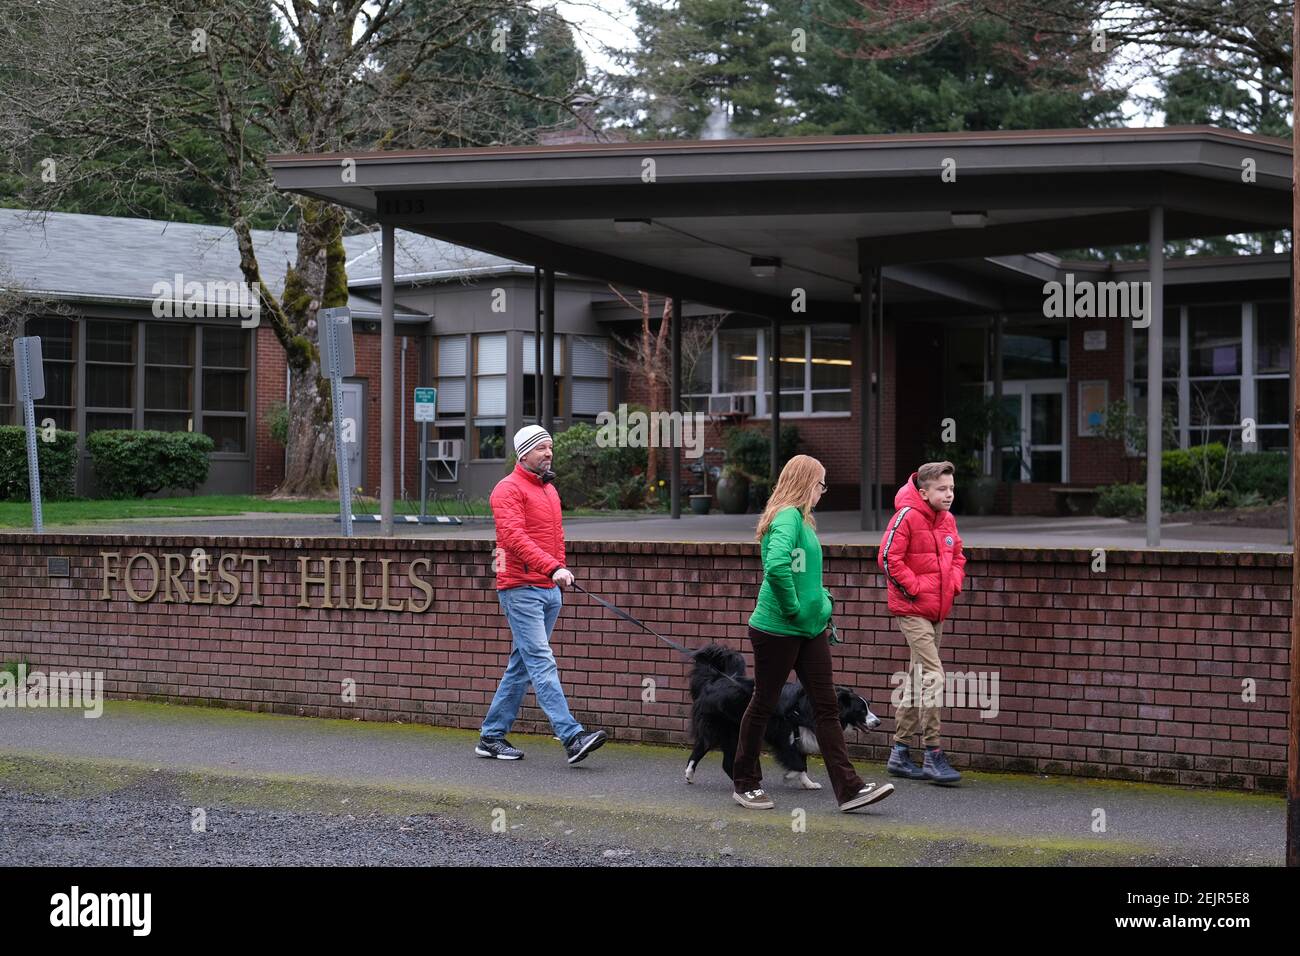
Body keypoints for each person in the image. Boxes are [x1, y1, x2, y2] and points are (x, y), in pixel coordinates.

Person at [731, 454, 896, 812]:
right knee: (763, 703)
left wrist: (819, 602)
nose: (823, 490)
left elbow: (802, 573)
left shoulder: (803, 520)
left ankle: (850, 789)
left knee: (826, 707)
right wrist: (794, 608)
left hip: (809, 629)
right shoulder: (788, 516)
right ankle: (745, 782)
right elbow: (775, 566)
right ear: (807, 482)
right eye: (821, 483)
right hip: (777, 629)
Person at [476, 424, 608, 764]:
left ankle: (491, 737)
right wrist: (553, 568)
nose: (548, 453)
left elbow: (555, 536)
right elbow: (515, 539)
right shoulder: (507, 490)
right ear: (523, 454)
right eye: (541, 448)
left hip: (548, 590)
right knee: (541, 662)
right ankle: (572, 736)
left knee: (521, 666)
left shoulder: (548, 489)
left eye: (550, 447)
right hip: (521, 589)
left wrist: (556, 572)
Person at [878, 460, 965, 785]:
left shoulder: (948, 520)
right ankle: (933, 753)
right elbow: (887, 557)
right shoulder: (906, 516)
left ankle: (900, 752)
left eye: (952, 488)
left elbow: (958, 555)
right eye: (942, 489)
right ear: (924, 490)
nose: (949, 494)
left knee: (917, 678)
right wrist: (914, 589)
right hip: (912, 610)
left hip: (936, 611)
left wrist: (953, 582)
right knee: (934, 675)